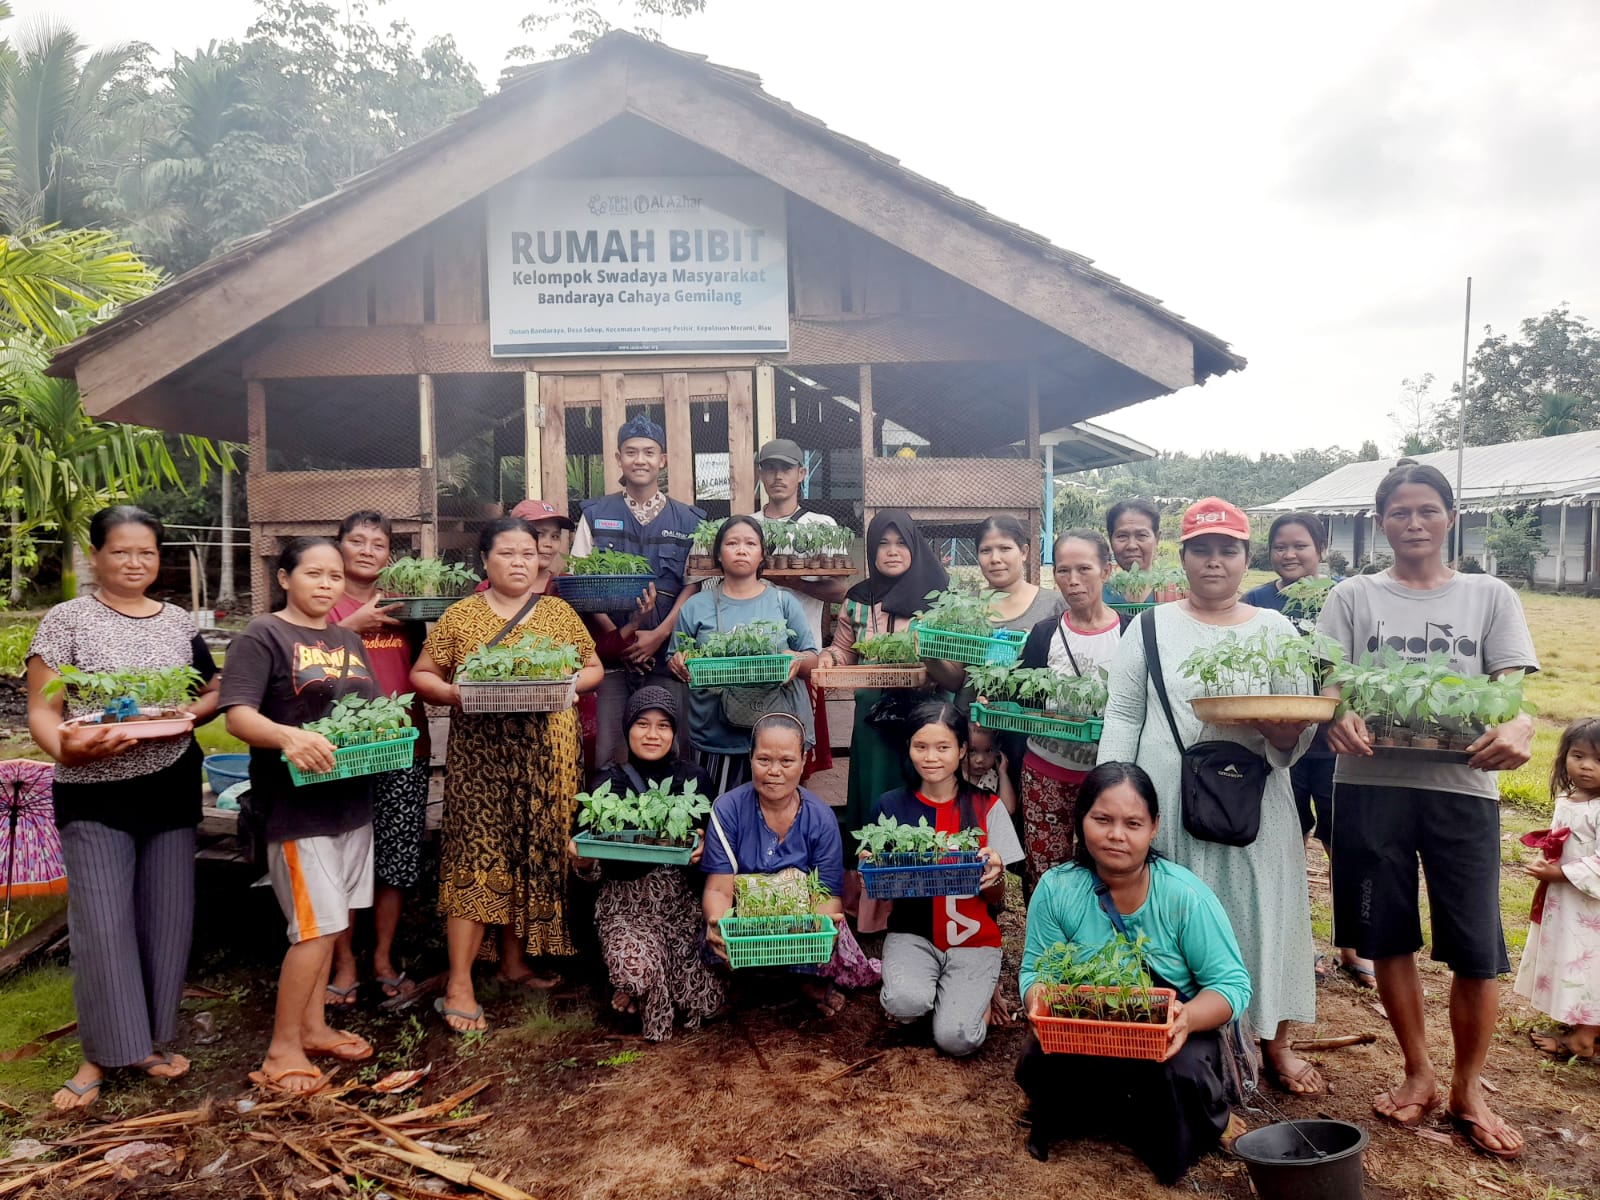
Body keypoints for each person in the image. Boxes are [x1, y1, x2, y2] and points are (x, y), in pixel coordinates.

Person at [1319, 460, 1537, 1158]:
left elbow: (1510, 694)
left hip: (1463, 788)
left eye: (1427, 510)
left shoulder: (1489, 595)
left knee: (1477, 946)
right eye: (1399, 512)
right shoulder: (1353, 595)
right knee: (1386, 934)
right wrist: (1337, 716)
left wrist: (1519, 728)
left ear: (1450, 517)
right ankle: (1418, 1072)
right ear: (1381, 521)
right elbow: (1330, 680)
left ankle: (1470, 1086)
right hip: (1369, 784)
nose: (1414, 523)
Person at [1098, 497, 1322, 1096]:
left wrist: (1285, 741)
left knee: (1260, 906)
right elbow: (1123, 713)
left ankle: (1273, 1039)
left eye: (1228, 550)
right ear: (1183, 556)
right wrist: (1112, 795)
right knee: (1174, 910)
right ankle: (1183, 1033)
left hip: (1255, 801)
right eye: (1202, 549)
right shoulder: (1147, 627)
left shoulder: (1276, 631)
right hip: (1167, 796)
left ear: (1247, 559)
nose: (1214, 562)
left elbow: (1297, 725)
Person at [27, 506, 220, 1109]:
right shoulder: (67, 621)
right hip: (93, 787)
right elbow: (42, 707)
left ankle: (151, 1041)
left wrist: (188, 715)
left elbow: (209, 689)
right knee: (102, 925)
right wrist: (67, 747)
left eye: (146, 552)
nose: (135, 563)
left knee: (167, 917)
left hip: (168, 781)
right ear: (96, 555)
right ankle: (100, 1054)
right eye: (120, 552)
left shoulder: (179, 621)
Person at [409, 517, 605, 1032]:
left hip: (548, 759)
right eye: (507, 553)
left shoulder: (559, 613)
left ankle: (514, 964)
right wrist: (456, 692)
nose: (520, 562)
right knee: (477, 858)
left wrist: (566, 682)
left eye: (528, 553)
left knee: (531, 855)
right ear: (485, 561)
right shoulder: (462, 616)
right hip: (482, 764)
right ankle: (459, 984)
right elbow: (422, 675)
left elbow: (593, 669)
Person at [1015, 762, 1250, 1183]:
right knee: (1039, 1058)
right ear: (1081, 819)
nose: (1116, 835)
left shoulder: (1184, 896)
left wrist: (1187, 1018)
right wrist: (1042, 1005)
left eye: (1133, 823)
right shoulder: (1057, 889)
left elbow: (1231, 986)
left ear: (1154, 827)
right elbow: (1036, 970)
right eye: (1101, 819)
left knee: (1179, 1073)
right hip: (1089, 1022)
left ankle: (1199, 1117)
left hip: (1167, 1029)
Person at [221, 538, 381, 1093]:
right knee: (313, 931)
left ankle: (313, 1028)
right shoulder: (262, 635)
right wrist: (288, 736)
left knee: (334, 923)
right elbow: (238, 716)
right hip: (295, 806)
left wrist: (383, 733)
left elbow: (371, 709)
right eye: (313, 573)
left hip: (349, 800)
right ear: (284, 577)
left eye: (335, 576)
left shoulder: (345, 638)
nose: (326, 584)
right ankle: (281, 1050)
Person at [1241, 512, 1373, 988]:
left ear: (1322, 547)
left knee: (1345, 845)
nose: (1289, 555)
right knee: (1286, 844)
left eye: (1300, 546)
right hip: (1281, 746)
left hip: (1337, 744)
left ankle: (1352, 945)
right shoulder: (1256, 602)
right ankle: (1298, 943)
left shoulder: (1348, 596)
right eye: (1280, 547)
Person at [568, 687, 728, 1040]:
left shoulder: (694, 780)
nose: (653, 735)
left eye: (663, 726)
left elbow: (715, 847)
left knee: (706, 1002)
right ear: (627, 729)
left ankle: (655, 984)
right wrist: (583, 862)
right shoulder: (608, 783)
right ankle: (638, 982)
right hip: (626, 907)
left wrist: (704, 847)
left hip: (679, 908)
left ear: (674, 733)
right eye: (642, 724)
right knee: (636, 971)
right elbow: (587, 863)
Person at [818, 509, 949, 925]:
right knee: (875, 795)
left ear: (914, 546)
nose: (891, 552)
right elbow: (843, 650)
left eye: (900, 543)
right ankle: (875, 910)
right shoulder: (858, 598)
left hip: (926, 716)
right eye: (881, 544)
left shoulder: (939, 595)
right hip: (874, 716)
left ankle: (923, 902)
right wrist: (826, 657)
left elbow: (954, 657)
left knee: (922, 792)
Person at [700, 713, 879, 1014]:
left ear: (804, 759)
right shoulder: (727, 810)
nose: (774, 772)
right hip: (745, 924)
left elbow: (827, 895)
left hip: (801, 925)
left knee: (830, 934)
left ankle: (802, 980)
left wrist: (816, 933)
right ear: (750, 757)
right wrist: (721, 927)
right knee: (713, 946)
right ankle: (748, 978)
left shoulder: (821, 818)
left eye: (786, 761)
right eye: (764, 760)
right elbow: (719, 890)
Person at [326, 511, 431, 1004]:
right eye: (357, 541)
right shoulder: (324, 601)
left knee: (397, 856)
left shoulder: (405, 606)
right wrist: (352, 626)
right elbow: (303, 654)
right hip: (345, 750)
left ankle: (383, 956)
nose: (368, 550)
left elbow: (421, 667)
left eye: (379, 544)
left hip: (404, 746)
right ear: (339, 546)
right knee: (344, 857)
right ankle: (344, 961)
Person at [873, 702, 1018, 1056]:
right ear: (908, 748)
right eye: (920, 746)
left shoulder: (988, 806)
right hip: (913, 932)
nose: (931, 757)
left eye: (943, 747)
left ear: (962, 750)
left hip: (973, 938)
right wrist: (873, 866)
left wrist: (994, 872)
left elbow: (998, 897)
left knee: (958, 1039)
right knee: (905, 1003)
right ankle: (941, 992)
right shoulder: (891, 806)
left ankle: (974, 995)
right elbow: (881, 890)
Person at [571, 412, 705, 765]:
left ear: (662, 461)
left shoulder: (690, 520)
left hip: (667, 657)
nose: (640, 460)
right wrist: (623, 639)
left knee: (671, 749)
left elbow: (693, 586)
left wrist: (659, 635)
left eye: (649, 452)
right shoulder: (595, 514)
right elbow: (579, 586)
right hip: (612, 659)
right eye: (631, 452)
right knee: (608, 751)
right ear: (618, 459)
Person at [669, 516, 818, 794]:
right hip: (714, 735)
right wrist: (679, 662)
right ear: (718, 554)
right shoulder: (695, 606)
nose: (741, 549)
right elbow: (675, 659)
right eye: (732, 543)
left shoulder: (783, 602)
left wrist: (795, 660)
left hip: (775, 737)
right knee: (718, 812)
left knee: (772, 813)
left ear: (762, 554)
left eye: (751, 543)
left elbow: (812, 659)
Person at [1016, 529, 1127, 893]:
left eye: (1084, 569)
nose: (1073, 581)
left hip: (1107, 777)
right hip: (1046, 772)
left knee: (1106, 868)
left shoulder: (1130, 632)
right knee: (1047, 871)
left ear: (1106, 570)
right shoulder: (1044, 634)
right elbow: (1024, 701)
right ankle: (1049, 945)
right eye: (1063, 571)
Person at [750, 438, 849, 778]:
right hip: (751, 658)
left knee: (798, 758)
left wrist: (794, 582)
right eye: (771, 468)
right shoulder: (747, 526)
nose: (778, 476)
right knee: (757, 754)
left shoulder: (820, 526)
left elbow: (839, 591)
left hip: (803, 657)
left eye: (787, 468)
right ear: (760, 473)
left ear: (802, 473)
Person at [1516, 717, 1600, 1059]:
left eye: (1599, 760)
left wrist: (1561, 873)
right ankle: (1585, 1025)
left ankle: (1584, 1038)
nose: (1587, 767)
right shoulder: (1571, 798)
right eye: (1578, 755)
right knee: (1571, 959)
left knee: (1590, 962)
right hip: (1568, 900)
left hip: (1590, 906)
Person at [1102, 498, 1161, 603]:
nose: (1132, 546)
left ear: (1157, 539)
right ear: (1110, 540)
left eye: (1141, 535)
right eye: (1122, 536)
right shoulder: (1097, 595)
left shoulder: (1179, 593)